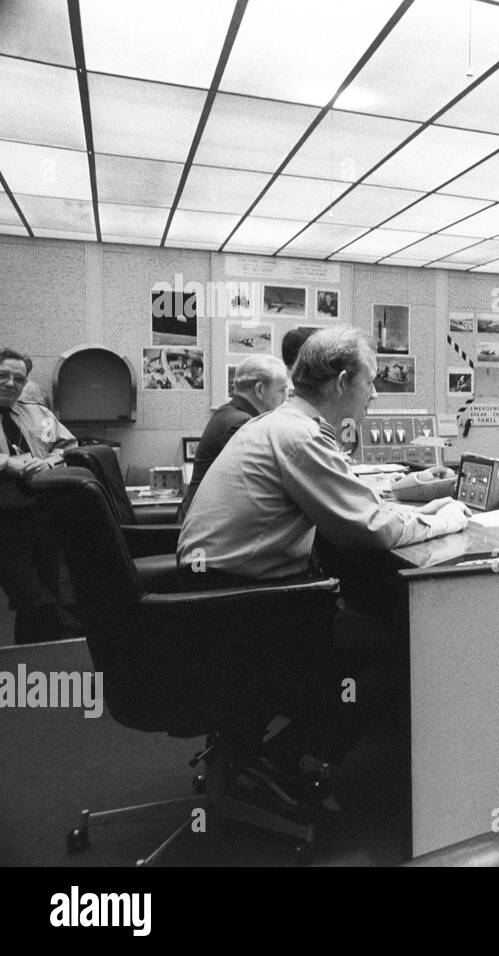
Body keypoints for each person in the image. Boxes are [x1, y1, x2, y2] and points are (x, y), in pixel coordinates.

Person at [178, 327, 469, 804]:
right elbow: (373, 529)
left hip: (218, 601)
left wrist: (409, 503)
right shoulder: (299, 435)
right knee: (404, 653)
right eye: (371, 381)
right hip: (244, 613)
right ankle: (277, 758)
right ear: (340, 383)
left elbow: (346, 499)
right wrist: (448, 517)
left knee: (372, 623)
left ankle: (255, 751)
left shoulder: (280, 423)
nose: (375, 393)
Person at [0, 347, 78, 644]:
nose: (11, 384)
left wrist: (48, 461)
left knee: (42, 598)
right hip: (4, 524)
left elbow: (68, 446)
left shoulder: (38, 414)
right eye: (3, 376)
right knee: (36, 600)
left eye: (19, 379)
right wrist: (10, 464)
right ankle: (80, 641)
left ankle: (35, 668)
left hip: (39, 517)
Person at [181, 355, 288, 515]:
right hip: (209, 527)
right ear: (260, 390)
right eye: (282, 390)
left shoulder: (227, 413)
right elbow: (265, 484)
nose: (285, 398)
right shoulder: (242, 424)